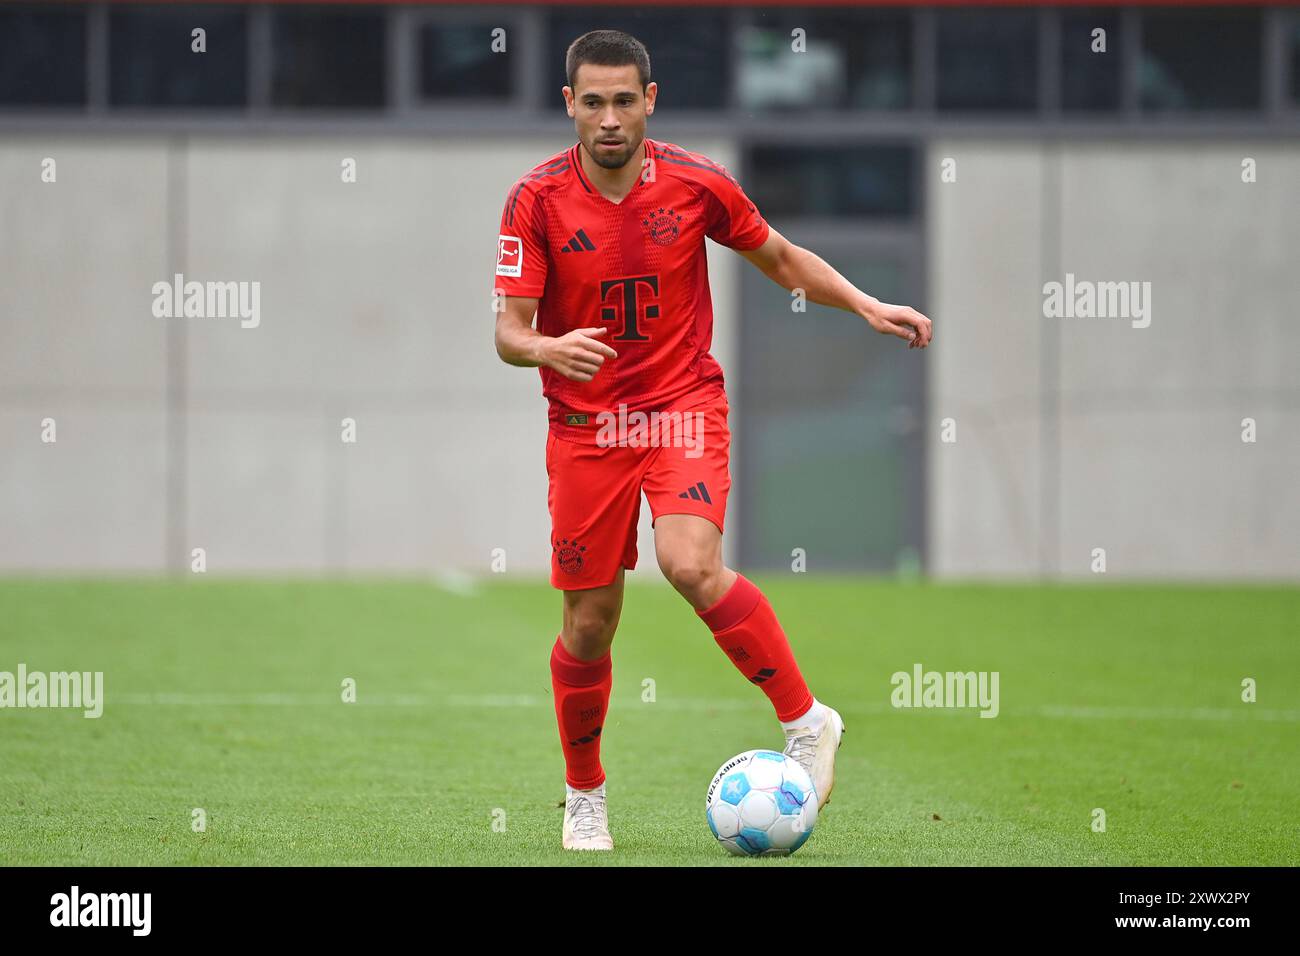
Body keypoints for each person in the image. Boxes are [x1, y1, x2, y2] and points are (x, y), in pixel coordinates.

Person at [493, 29, 932, 850]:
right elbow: (509, 332)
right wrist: (548, 348)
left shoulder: (696, 183)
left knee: (690, 562)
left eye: (626, 100)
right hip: (586, 428)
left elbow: (783, 260)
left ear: (650, 101)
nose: (610, 117)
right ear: (570, 106)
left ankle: (807, 722)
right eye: (593, 101)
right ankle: (584, 791)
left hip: (679, 408)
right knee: (589, 622)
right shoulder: (535, 200)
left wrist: (867, 304)